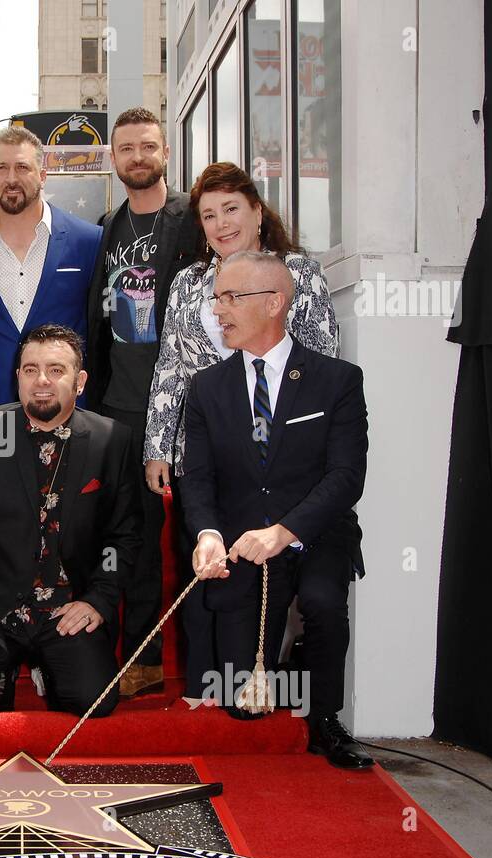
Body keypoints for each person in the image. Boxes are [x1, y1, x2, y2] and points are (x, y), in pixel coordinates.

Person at [144, 161, 339, 703]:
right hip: (204, 454)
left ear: (257, 211)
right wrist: (159, 445)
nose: (220, 223)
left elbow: (321, 358)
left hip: (280, 460)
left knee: (268, 577)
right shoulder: (187, 283)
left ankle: (262, 687)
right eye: (208, 214)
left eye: (231, 208)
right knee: (206, 567)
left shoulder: (296, 272)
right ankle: (205, 692)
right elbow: (172, 366)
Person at [183, 251, 370, 769]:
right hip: (243, 544)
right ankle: (290, 671)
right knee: (244, 703)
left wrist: (285, 531)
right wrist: (207, 535)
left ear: (274, 303)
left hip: (316, 533)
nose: (218, 309)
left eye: (230, 297)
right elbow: (197, 478)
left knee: (324, 605)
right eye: (217, 296)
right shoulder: (205, 388)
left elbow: (345, 478)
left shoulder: (337, 381)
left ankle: (326, 718)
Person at [0, 324, 141, 718]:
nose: (41, 381)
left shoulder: (112, 440)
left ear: (80, 382)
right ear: (18, 378)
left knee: (94, 700)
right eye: (30, 370)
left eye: (56, 370)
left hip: (66, 609)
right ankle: (5, 674)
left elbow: (123, 537)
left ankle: (53, 669)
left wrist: (98, 600)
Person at [83, 107, 200, 698]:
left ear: (164, 153)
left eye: (146, 146)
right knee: (131, 536)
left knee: (191, 532)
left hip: (184, 407)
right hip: (119, 408)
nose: (136, 157)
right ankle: (143, 658)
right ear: (113, 159)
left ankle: (202, 663)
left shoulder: (193, 222)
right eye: (125, 148)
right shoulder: (110, 225)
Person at [0, 126, 103, 411]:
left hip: (65, 412)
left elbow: (97, 336)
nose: (11, 178)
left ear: (42, 175)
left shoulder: (88, 241)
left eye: (22, 167)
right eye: (2, 168)